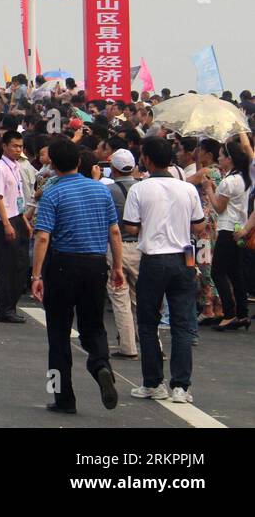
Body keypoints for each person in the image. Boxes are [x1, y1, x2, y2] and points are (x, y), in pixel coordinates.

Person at [29, 137, 124, 414]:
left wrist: (36, 275)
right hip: (95, 265)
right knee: (94, 326)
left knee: (58, 335)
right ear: (80, 162)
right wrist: (116, 267)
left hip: (62, 265)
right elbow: (114, 231)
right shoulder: (100, 191)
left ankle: (62, 398)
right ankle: (101, 364)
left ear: (53, 164)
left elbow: (43, 236)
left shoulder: (53, 192)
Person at [122, 136, 207, 405]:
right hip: (183, 258)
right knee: (182, 325)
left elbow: (131, 228)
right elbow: (199, 227)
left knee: (148, 323)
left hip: (153, 259)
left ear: (146, 159)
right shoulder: (187, 189)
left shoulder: (140, 189)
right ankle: (181, 386)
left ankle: (153, 383)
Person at [0, 130, 31, 324]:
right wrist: (6, 224)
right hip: (4, 221)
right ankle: (5, 309)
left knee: (21, 265)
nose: (18, 150)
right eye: (14, 146)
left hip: (16, 218)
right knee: (8, 268)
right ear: (4, 146)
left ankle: (10, 306)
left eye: (20, 146)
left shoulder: (15, 167)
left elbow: (17, 197)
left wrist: (24, 221)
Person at [102, 148, 141, 358]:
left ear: (113, 168)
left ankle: (127, 346)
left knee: (120, 297)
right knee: (140, 300)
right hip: (141, 247)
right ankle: (153, 343)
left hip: (117, 247)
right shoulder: (142, 188)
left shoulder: (108, 190)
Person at [209, 139, 250, 330]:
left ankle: (230, 312)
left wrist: (209, 190)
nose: (219, 158)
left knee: (217, 272)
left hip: (227, 229)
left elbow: (219, 207)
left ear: (229, 159)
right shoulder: (244, 178)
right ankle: (242, 313)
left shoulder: (229, 181)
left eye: (221, 156)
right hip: (239, 227)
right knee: (235, 272)